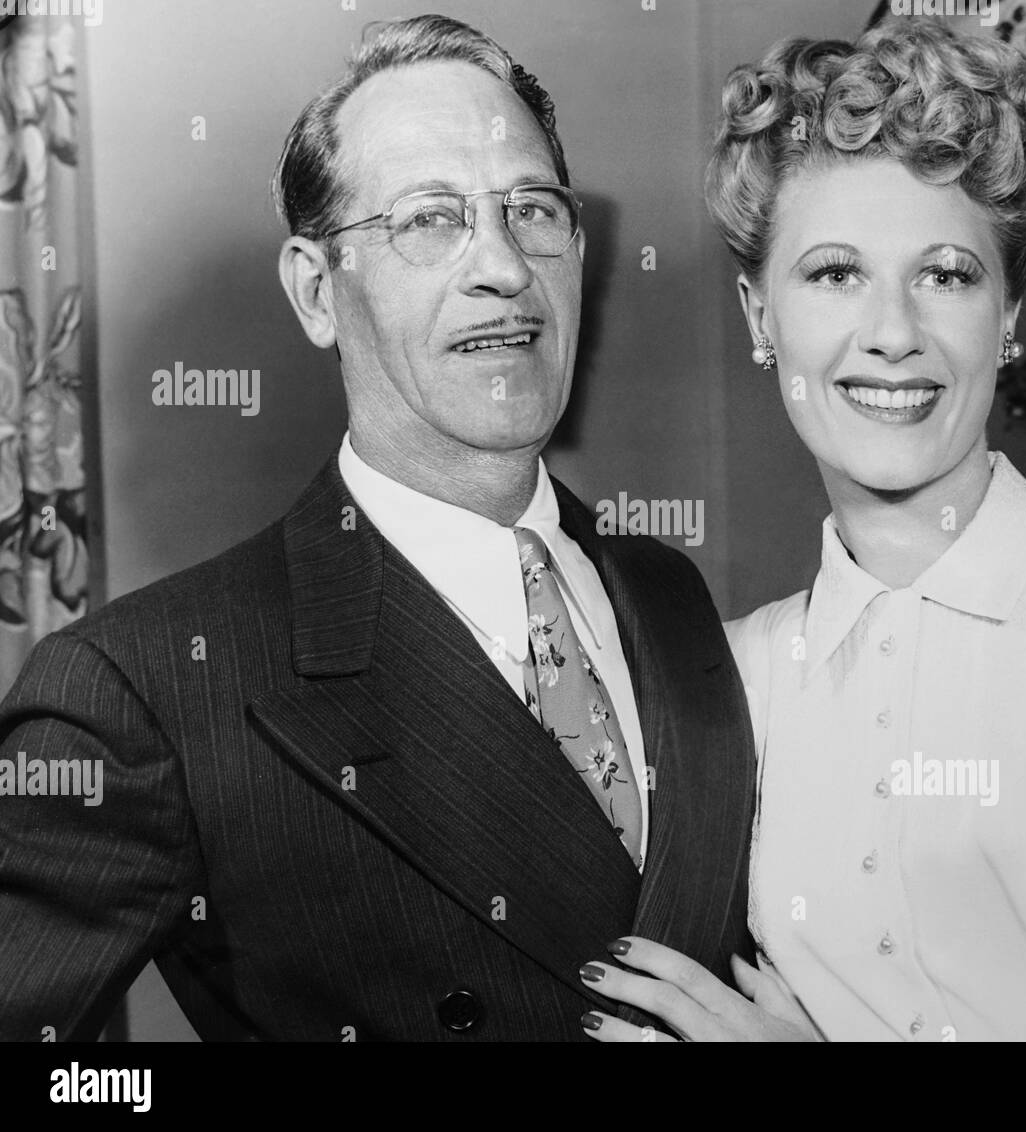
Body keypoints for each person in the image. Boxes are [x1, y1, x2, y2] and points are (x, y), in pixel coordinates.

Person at [0, 14, 756, 1042]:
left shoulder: (667, 593)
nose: (501, 266)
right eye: (428, 220)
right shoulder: (144, 688)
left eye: (530, 210)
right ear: (317, 290)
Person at [583, 17, 1026, 1042]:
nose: (892, 331)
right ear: (758, 316)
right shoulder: (726, 688)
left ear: (1006, 313)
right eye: (834, 273)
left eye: (947, 275)